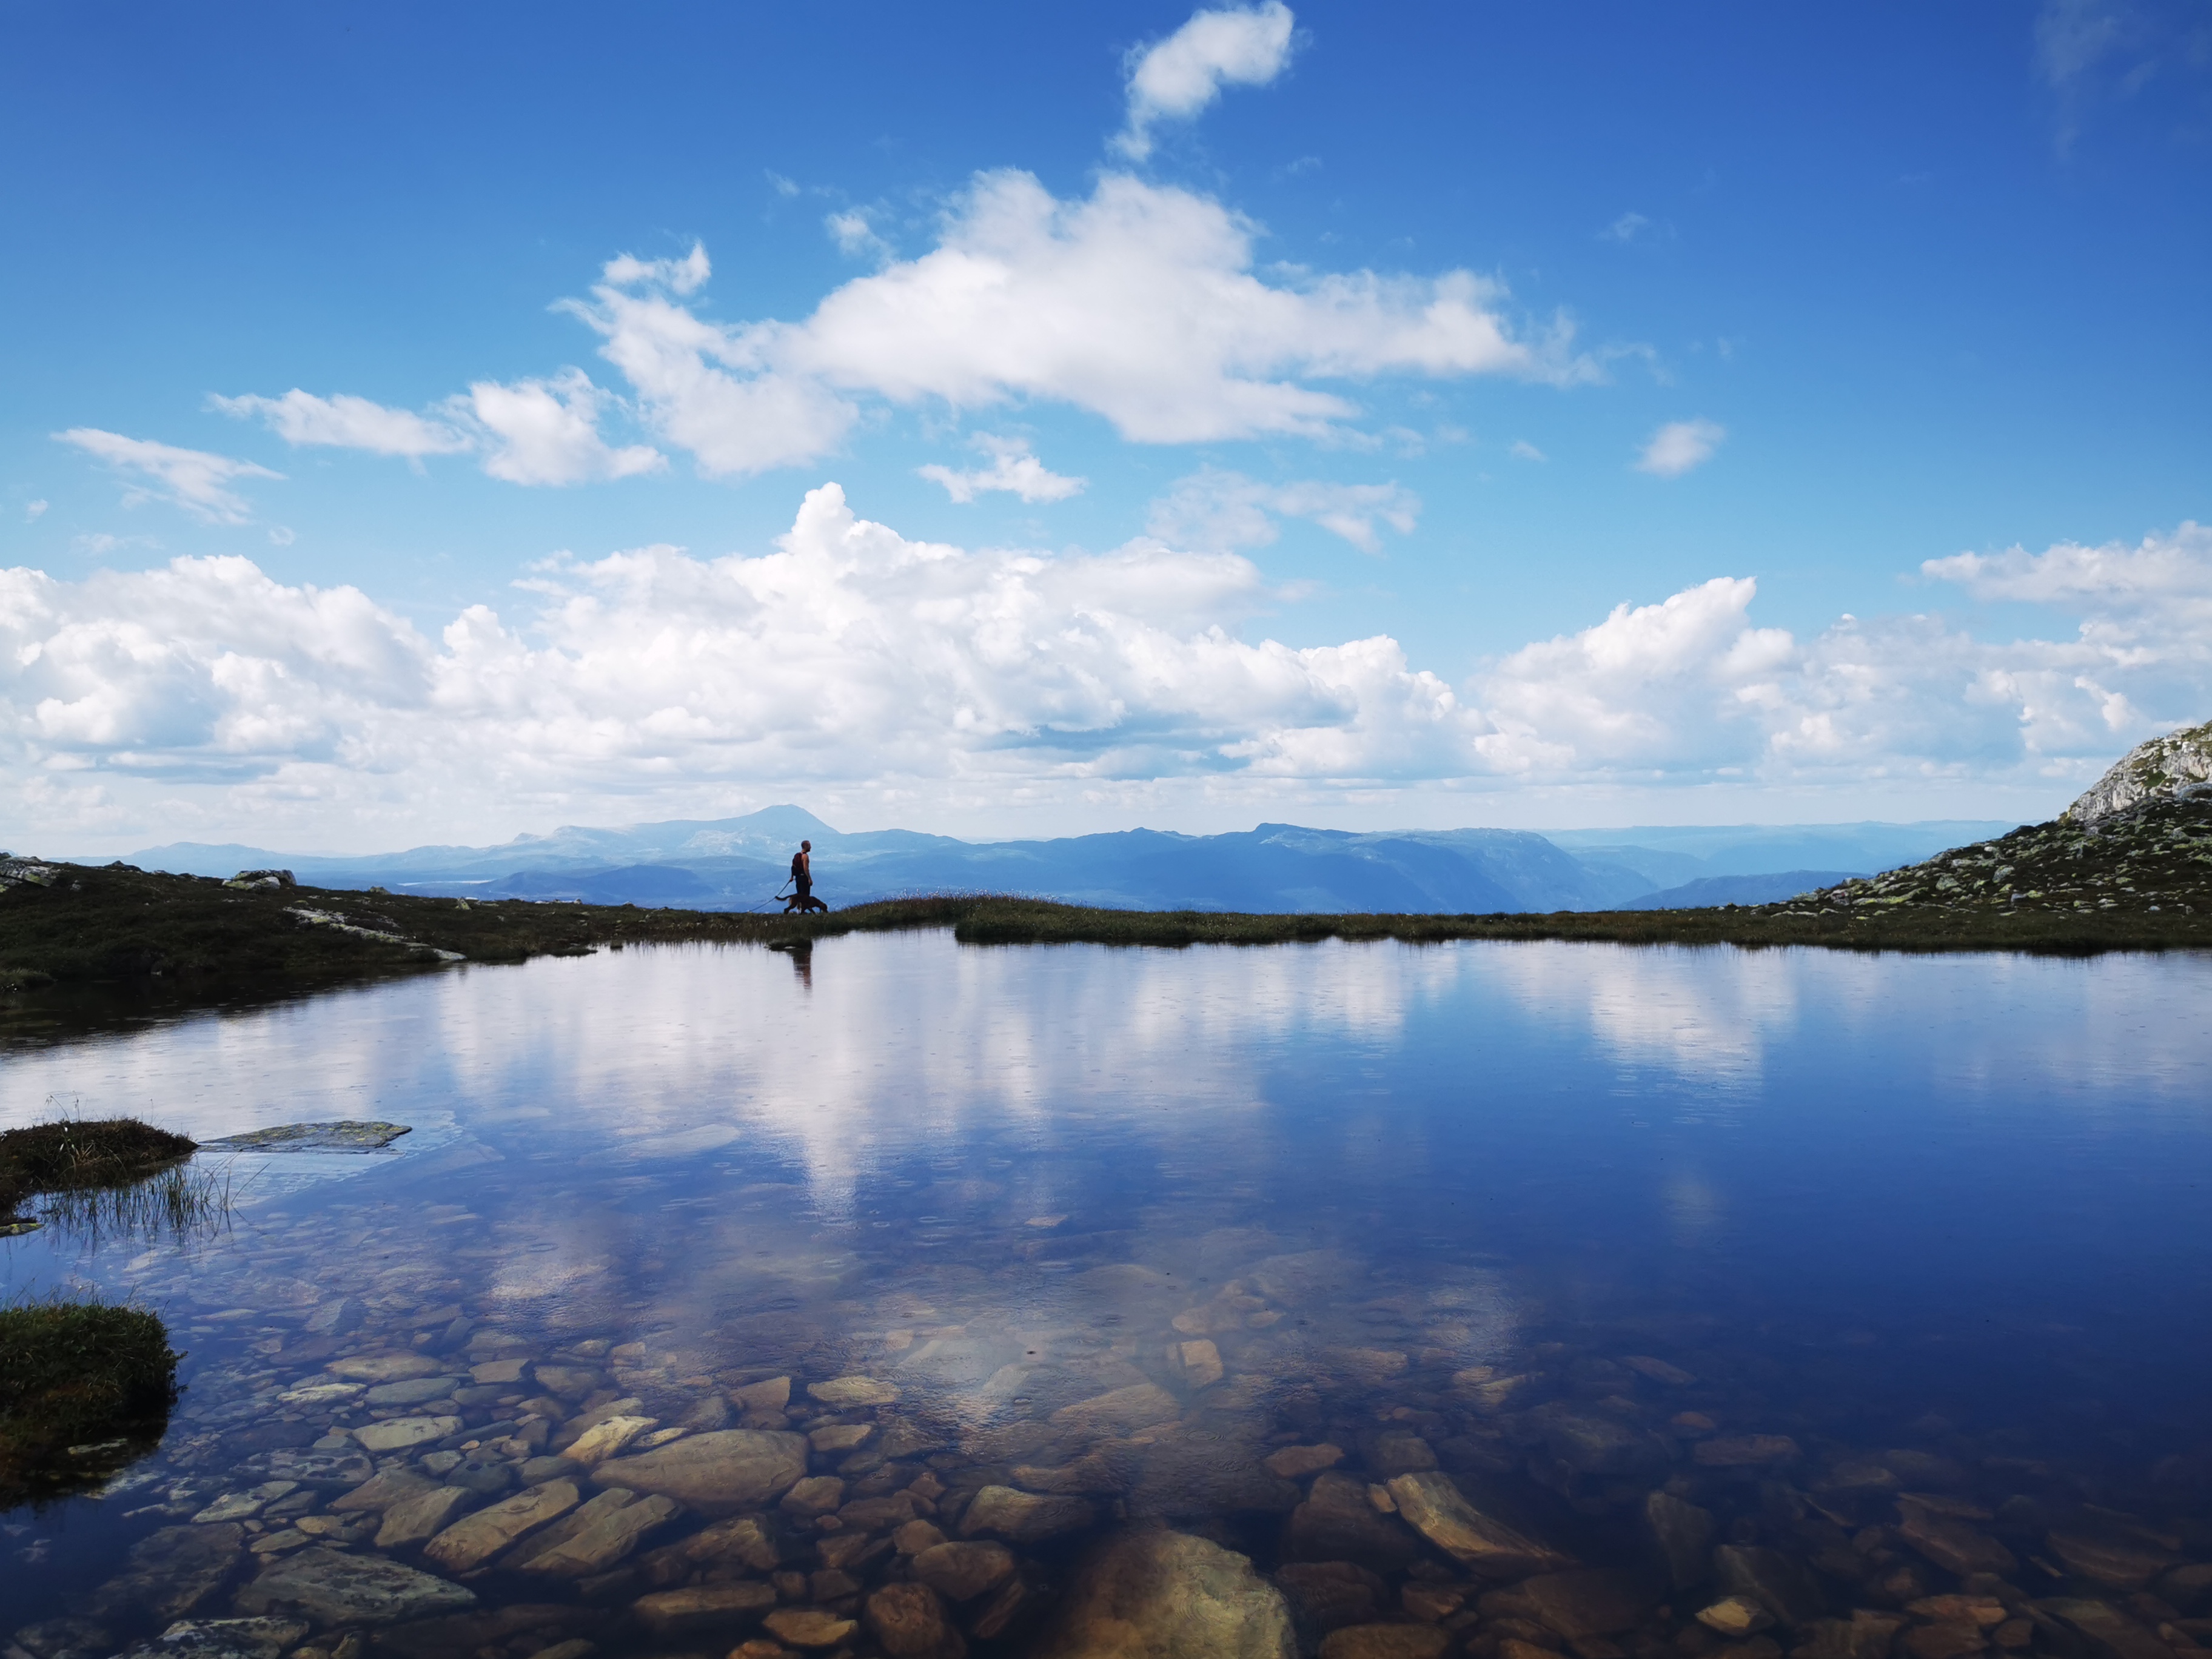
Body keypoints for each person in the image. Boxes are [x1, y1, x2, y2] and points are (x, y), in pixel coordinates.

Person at [789, 840, 813, 905]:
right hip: (804, 878)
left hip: (798, 878)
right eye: (809, 846)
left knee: (800, 895)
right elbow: (806, 869)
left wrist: (792, 877)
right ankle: (803, 910)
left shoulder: (797, 856)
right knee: (805, 896)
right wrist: (810, 879)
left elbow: (793, 866)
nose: (811, 847)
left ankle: (799, 910)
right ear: (806, 846)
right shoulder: (805, 856)